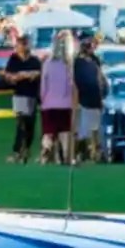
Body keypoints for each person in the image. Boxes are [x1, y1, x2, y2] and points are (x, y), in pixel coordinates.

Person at [40, 30, 76, 165]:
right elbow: (71, 85)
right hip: (65, 104)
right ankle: (66, 156)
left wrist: (43, 99)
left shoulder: (47, 64)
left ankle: (46, 150)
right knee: (64, 132)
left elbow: (44, 84)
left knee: (49, 131)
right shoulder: (69, 65)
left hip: (49, 103)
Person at [4, 34, 41, 164]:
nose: (24, 47)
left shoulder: (34, 60)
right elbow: (8, 75)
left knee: (30, 124)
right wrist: (17, 77)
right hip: (19, 95)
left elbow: (39, 73)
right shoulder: (13, 60)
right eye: (22, 44)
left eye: (26, 44)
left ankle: (27, 149)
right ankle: (18, 150)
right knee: (21, 123)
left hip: (31, 95)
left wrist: (29, 74)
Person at [73, 34, 107, 162]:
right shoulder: (78, 62)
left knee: (93, 128)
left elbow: (99, 79)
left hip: (93, 99)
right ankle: (83, 152)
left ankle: (95, 152)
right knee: (85, 129)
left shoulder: (93, 61)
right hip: (84, 99)